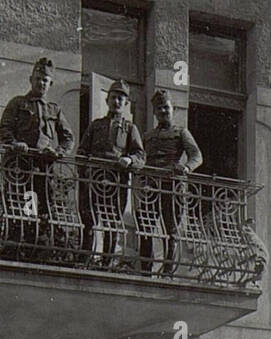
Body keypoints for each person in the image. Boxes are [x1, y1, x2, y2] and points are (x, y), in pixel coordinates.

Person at [0, 57, 75, 254]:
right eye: (38, 78)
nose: (41, 83)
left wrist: (57, 152)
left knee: (43, 210)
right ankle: (16, 247)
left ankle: (37, 249)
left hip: (44, 168)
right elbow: (4, 130)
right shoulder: (17, 103)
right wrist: (15, 144)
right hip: (20, 167)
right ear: (30, 79)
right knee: (20, 209)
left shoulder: (54, 110)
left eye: (45, 80)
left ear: (51, 84)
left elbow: (68, 137)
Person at [77, 79, 145, 266]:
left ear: (125, 103)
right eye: (114, 98)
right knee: (89, 220)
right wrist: (84, 173)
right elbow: (81, 152)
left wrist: (130, 160)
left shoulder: (130, 128)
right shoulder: (96, 125)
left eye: (121, 99)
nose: (116, 102)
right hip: (93, 179)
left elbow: (140, 155)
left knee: (112, 222)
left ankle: (106, 264)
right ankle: (84, 259)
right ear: (107, 100)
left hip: (116, 182)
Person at [138, 89, 202, 276]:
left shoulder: (181, 132)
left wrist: (187, 168)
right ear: (155, 113)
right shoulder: (147, 136)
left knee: (171, 230)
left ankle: (167, 272)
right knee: (145, 228)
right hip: (151, 187)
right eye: (159, 109)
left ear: (172, 108)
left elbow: (196, 155)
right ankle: (146, 270)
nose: (163, 111)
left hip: (173, 186)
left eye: (166, 107)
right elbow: (141, 158)